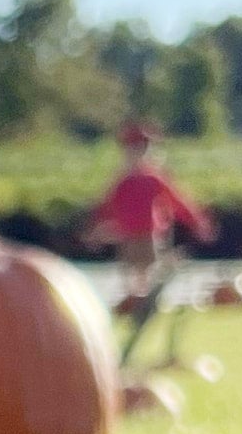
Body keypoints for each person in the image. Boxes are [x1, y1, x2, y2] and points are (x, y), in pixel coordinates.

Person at [88, 119, 214, 307]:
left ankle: (147, 298)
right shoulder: (122, 181)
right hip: (128, 234)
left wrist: (198, 223)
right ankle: (137, 301)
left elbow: (178, 201)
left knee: (147, 267)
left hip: (149, 234)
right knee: (131, 269)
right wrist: (96, 229)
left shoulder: (153, 178)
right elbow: (106, 208)